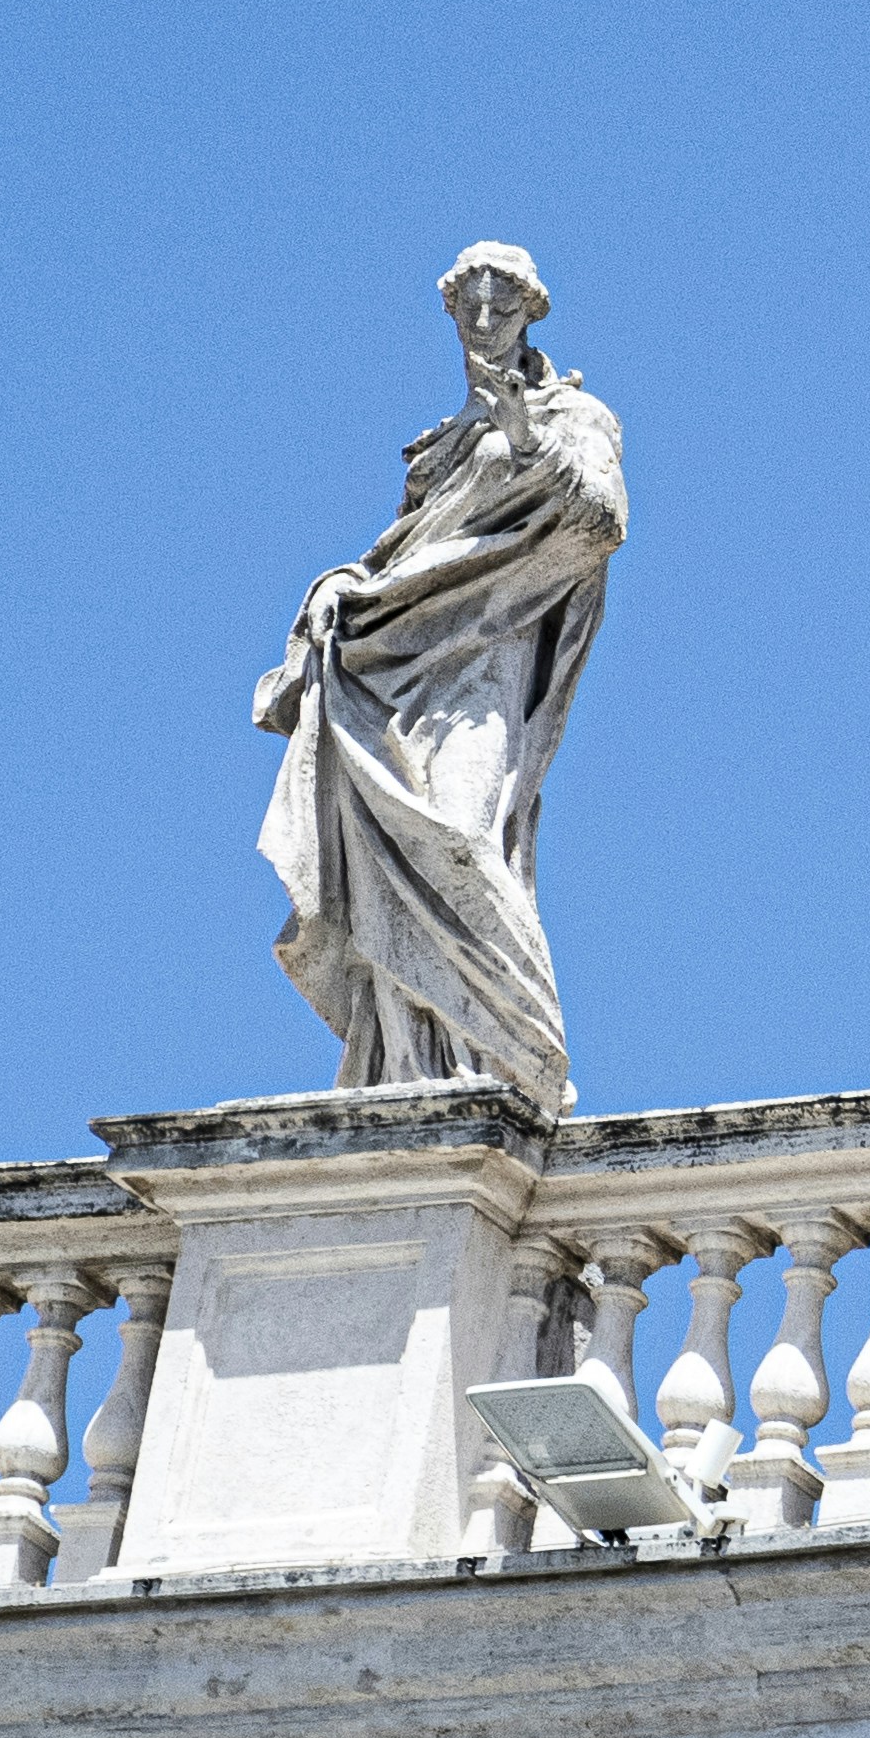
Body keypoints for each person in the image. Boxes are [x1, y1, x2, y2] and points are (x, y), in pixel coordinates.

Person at [253, 241, 620, 1105]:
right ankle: (410, 1068)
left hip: (485, 658)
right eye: (471, 309)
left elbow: (602, 522)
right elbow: (398, 555)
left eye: (503, 307)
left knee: (455, 834)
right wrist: (339, 584)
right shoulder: (441, 449)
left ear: (532, 312)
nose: (486, 323)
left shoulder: (577, 417)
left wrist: (531, 444)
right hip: (395, 664)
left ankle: (517, 1057)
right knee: (386, 862)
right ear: (453, 315)